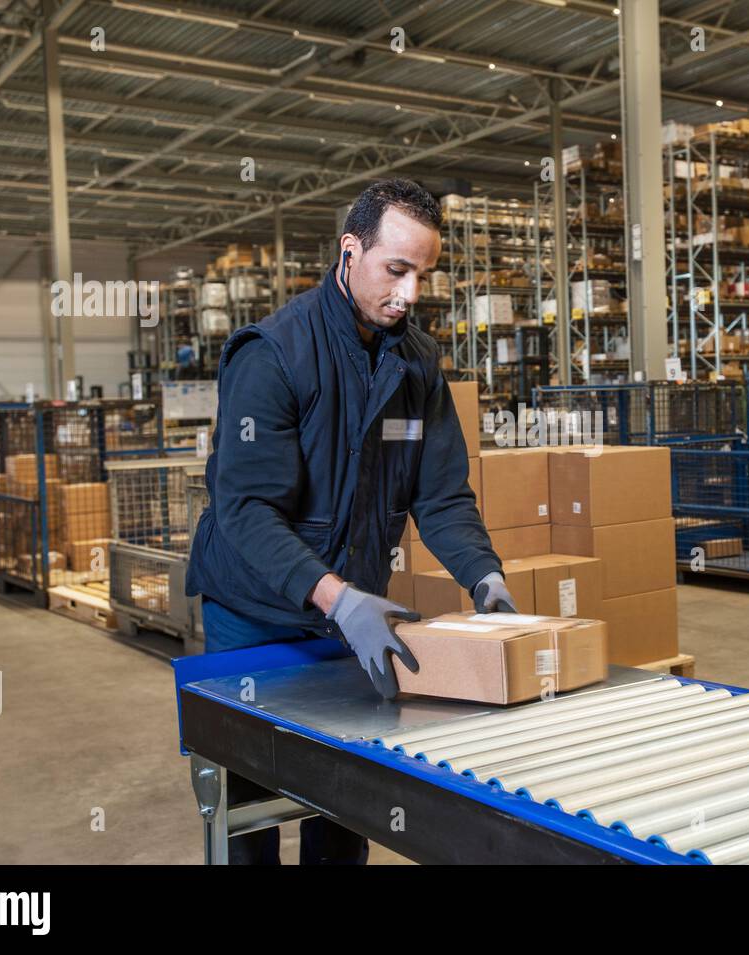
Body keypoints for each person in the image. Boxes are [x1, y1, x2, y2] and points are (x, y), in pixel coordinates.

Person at [186, 179, 517, 864]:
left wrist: (486, 580)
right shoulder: (274, 355)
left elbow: (443, 496)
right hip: (255, 611)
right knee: (250, 806)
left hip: (350, 610)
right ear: (349, 249)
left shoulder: (416, 364)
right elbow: (245, 510)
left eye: (423, 273)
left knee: (344, 799)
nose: (411, 292)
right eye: (396, 269)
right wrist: (338, 596)